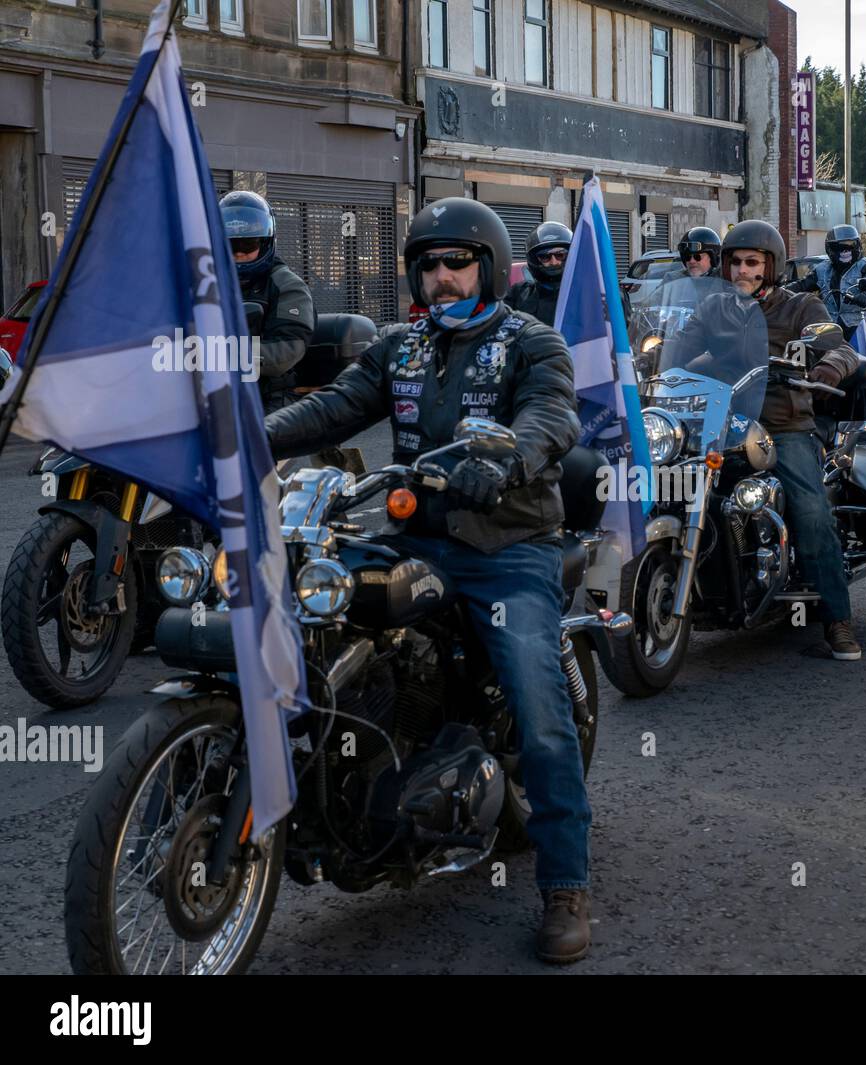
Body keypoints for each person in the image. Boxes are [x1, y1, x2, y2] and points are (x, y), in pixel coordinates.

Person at [263, 197, 595, 963]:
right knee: (305, 610)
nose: (443, 278)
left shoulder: (530, 341)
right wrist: (240, 434)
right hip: (412, 535)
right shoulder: (400, 346)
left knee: (538, 705)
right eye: (430, 265)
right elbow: (335, 409)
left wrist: (506, 457)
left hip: (508, 545)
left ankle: (566, 884)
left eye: (458, 262)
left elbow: (554, 416)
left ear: (488, 265)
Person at [664, 220, 865, 661]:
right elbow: (676, 351)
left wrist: (830, 366)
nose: (741, 270)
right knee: (663, 483)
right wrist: (651, 363)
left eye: (751, 262)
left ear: (770, 267)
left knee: (811, 511)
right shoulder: (712, 309)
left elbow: (841, 346)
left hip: (783, 423)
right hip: (719, 422)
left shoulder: (801, 307)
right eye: (734, 262)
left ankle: (838, 621)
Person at [220, 190, 316, 412]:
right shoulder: (206, 282)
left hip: (267, 396)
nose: (238, 254)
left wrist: (223, 355)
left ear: (265, 242)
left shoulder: (286, 284)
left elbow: (290, 346)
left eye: (248, 245)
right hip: (212, 389)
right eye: (230, 246)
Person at [786, 223, 866, 338]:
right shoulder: (822, 269)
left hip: (859, 325)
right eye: (839, 247)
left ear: (858, 246)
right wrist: (781, 291)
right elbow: (802, 285)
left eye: (850, 246)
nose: (845, 251)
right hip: (830, 325)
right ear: (830, 249)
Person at [504, 221, 573, 327]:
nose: (554, 262)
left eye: (560, 255)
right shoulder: (518, 293)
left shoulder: (585, 295)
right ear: (534, 260)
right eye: (545, 257)